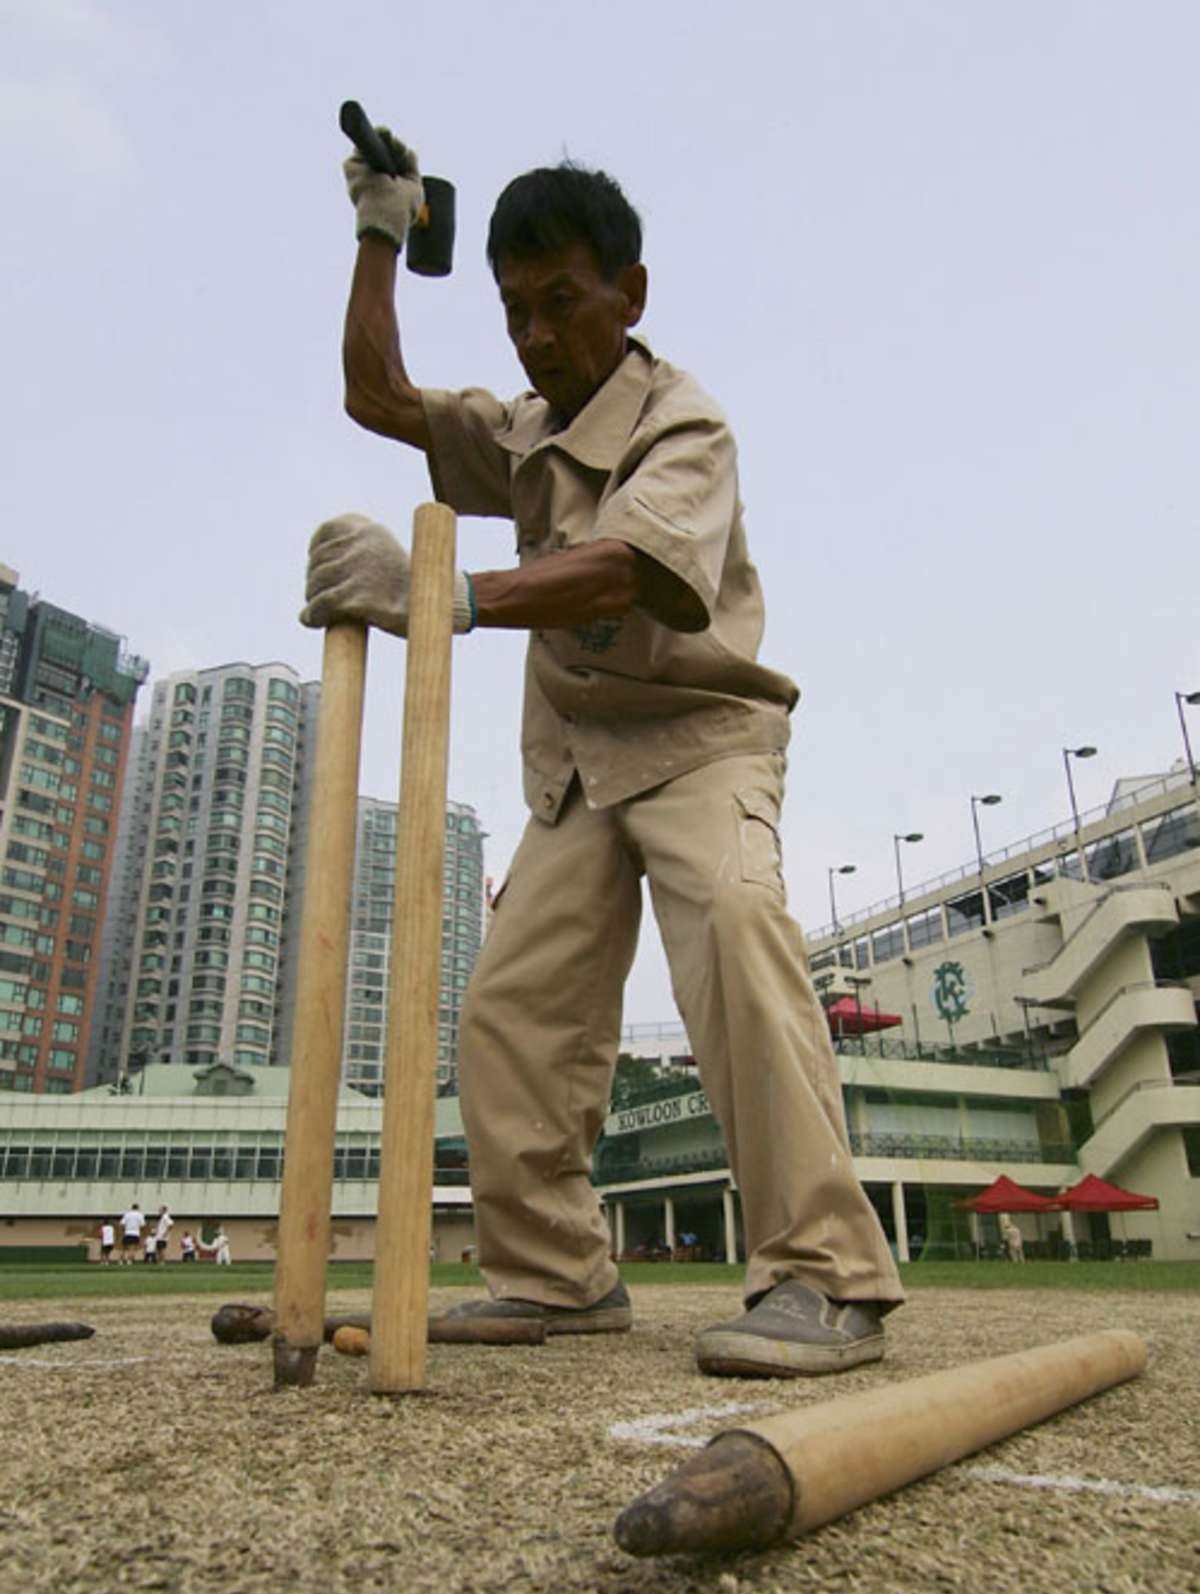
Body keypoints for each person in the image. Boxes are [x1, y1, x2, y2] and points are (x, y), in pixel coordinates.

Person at [302, 138, 904, 1377]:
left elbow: (633, 568)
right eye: (514, 309)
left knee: (738, 926)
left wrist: (444, 594)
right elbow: (377, 394)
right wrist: (379, 229)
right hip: (576, 764)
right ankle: (556, 1277)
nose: (533, 335)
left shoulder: (685, 419)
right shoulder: (523, 427)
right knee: (511, 1013)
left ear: (629, 293)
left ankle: (825, 1274)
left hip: (699, 738)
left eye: (560, 302)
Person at [119, 1201, 144, 1267]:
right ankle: (129, 1261)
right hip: (135, 1233)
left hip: (127, 1232)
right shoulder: (140, 1214)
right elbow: (142, 1225)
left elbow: (122, 1224)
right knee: (132, 1248)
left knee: (123, 1248)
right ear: (138, 1208)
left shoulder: (127, 1214)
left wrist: (124, 1230)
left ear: (132, 1208)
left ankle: (121, 1261)